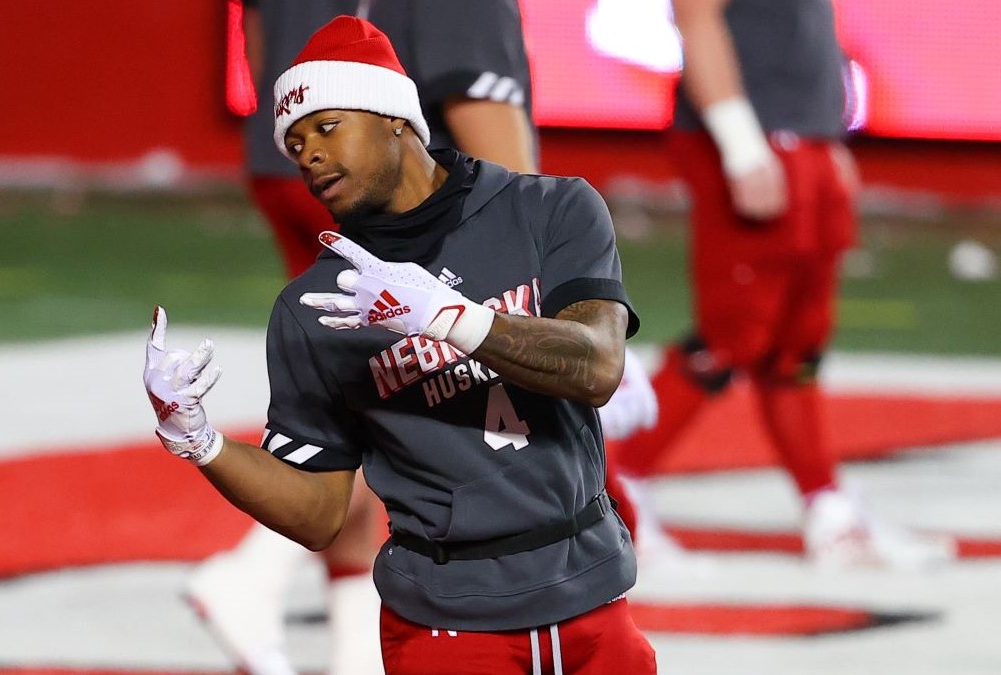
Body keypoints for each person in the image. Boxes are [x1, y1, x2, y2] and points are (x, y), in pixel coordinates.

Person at [145, 15, 657, 675]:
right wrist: (200, 440)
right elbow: (322, 513)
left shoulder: (550, 209)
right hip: (447, 623)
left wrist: (448, 317)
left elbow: (598, 367)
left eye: (327, 127)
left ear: (393, 117)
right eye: (295, 144)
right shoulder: (316, 307)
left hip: (592, 606)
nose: (311, 155)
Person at [607, 0, 956, 569]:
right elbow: (697, 17)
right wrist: (741, 142)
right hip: (760, 134)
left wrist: (824, 136)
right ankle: (616, 493)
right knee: (734, 335)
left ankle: (828, 509)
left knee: (798, 341)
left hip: (801, 135)